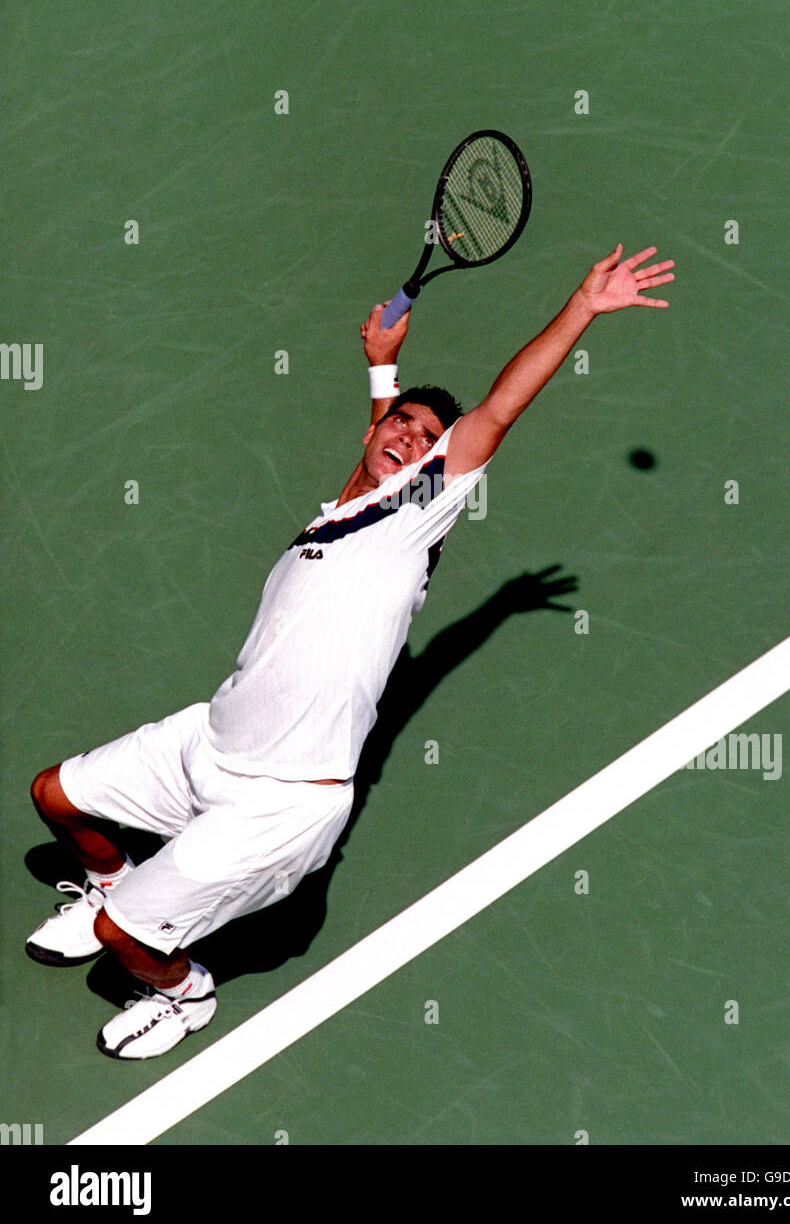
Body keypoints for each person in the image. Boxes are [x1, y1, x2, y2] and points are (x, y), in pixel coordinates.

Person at [26, 243, 674, 1058]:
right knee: (55, 796)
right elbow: (374, 461)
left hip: (283, 801)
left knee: (129, 939)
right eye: (403, 422)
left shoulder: (411, 528)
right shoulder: (343, 514)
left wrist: (582, 306)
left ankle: (185, 995)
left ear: (441, 468)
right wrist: (383, 372)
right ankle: (113, 886)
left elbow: (498, 413)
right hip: (210, 741)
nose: (409, 435)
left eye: (428, 436)